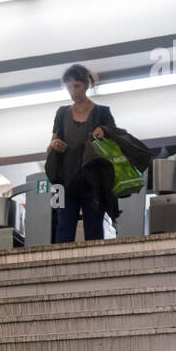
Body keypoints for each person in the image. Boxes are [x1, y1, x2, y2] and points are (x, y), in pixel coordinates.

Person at [46, 64, 116, 243]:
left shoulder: (102, 113)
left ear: (86, 85)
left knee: (94, 228)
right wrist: (54, 144)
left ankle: (95, 268)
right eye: (69, 87)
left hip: (93, 182)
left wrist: (104, 133)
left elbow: (115, 144)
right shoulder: (61, 113)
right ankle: (61, 268)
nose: (72, 91)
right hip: (63, 181)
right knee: (63, 227)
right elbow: (50, 147)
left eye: (76, 86)